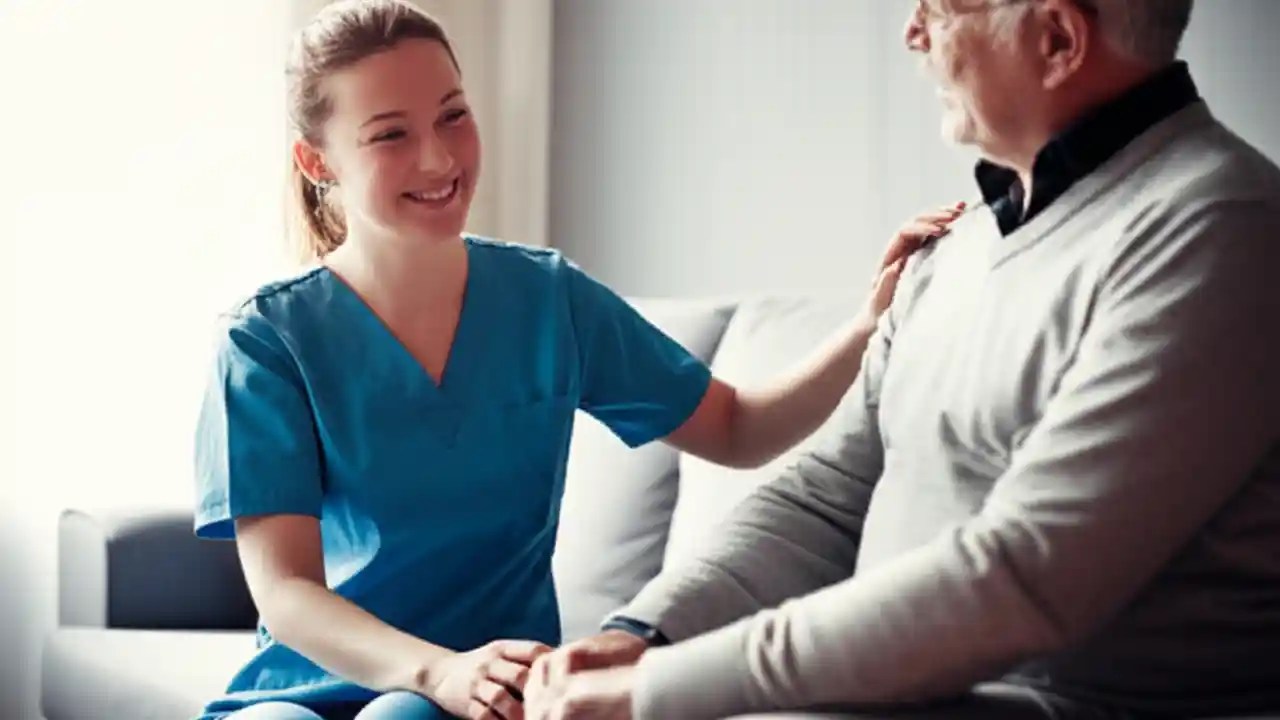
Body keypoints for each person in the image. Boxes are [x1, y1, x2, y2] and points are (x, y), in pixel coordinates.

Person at [191, 1, 958, 718]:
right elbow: (285, 590)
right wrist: (434, 669)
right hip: (311, 681)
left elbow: (736, 428)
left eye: (454, 116)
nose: (438, 157)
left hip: (494, 688)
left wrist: (869, 322)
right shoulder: (266, 341)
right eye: (390, 134)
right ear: (317, 162)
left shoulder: (548, 299)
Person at [525, 0, 1280, 718]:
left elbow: (1022, 577)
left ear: (1057, 40)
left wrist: (661, 689)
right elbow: (822, 499)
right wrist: (642, 635)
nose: (913, 35)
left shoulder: (1218, 228)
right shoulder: (956, 251)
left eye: (942, 9)